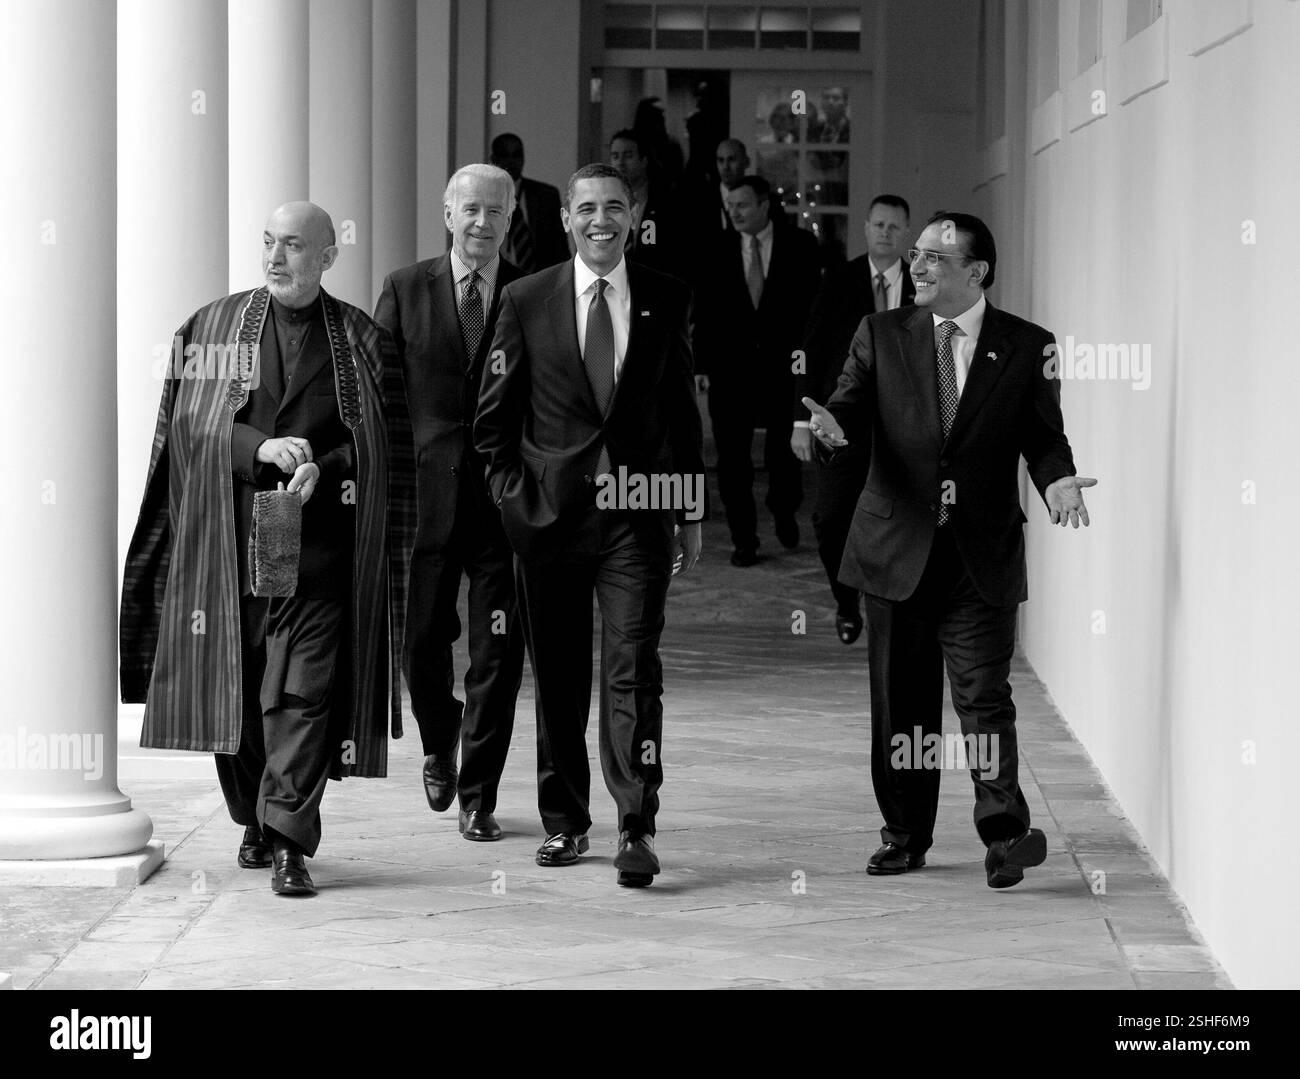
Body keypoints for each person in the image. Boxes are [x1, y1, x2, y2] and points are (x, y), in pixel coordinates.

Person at [120, 201, 413, 897]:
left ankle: (288, 840)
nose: (277, 259)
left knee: (302, 696)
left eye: (293, 246)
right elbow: (187, 434)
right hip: (230, 555)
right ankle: (255, 812)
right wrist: (258, 449)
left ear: (328, 256)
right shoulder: (214, 327)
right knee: (245, 694)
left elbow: (383, 448)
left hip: (318, 552)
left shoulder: (363, 339)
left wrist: (329, 466)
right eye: (269, 244)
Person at [804, 211, 1097, 889]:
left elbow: (1043, 436)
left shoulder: (1026, 346)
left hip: (979, 554)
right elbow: (848, 407)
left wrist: (1055, 481)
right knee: (901, 705)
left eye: (937, 256)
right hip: (895, 546)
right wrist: (832, 431)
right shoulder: (880, 333)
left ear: (977, 271)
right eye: (917, 256)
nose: (920, 266)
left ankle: (1004, 835)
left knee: (983, 699)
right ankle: (904, 834)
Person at [475, 163, 705, 888]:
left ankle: (636, 823)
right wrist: (515, 499)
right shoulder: (525, 298)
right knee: (562, 679)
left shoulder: (666, 296)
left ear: (632, 215)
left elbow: (679, 414)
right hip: (548, 520)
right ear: (566, 219)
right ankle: (566, 822)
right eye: (586, 208)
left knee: (633, 669)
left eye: (613, 206)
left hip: (636, 518)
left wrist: (688, 506)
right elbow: (492, 422)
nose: (600, 219)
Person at [373, 164, 526, 842]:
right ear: (447, 212)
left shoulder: (532, 293)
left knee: (498, 652)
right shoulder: (405, 290)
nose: (482, 222)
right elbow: (378, 396)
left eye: (496, 210)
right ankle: (439, 739)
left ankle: (478, 794)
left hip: (504, 506)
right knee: (421, 644)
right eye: (471, 208)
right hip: (426, 502)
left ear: (511, 217)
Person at [793, 195, 914, 644]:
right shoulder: (838, 280)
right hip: (841, 422)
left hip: (904, 426)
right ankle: (847, 602)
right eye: (878, 224)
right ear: (865, 227)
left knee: (896, 519)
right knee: (830, 519)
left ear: (905, 232)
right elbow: (809, 349)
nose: (885, 232)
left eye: (894, 226)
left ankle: (889, 606)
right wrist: (800, 420)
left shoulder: (922, 284)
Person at [693, 175, 820, 566]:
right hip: (731, 372)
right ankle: (743, 538)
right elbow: (704, 311)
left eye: (743, 205)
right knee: (732, 460)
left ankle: (783, 511)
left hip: (784, 370)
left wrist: (808, 366)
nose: (734, 212)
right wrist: (701, 365)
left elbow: (812, 313)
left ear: (764, 205)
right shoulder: (714, 247)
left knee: (784, 456)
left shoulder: (800, 245)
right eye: (730, 205)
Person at [489, 133, 570, 273]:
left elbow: (560, 250)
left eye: (517, 155)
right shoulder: (484, 196)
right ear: (493, 159)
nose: (511, 161)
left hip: (540, 280)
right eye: (505, 155)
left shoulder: (546, 195)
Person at [609, 128, 681, 274]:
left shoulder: (666, 202)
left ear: (644, 161)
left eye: (628, 156)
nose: (621, 163)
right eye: (615, 156)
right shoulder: (603, 203)